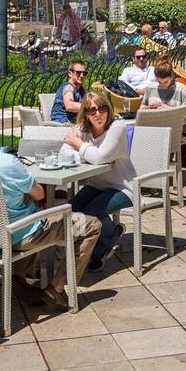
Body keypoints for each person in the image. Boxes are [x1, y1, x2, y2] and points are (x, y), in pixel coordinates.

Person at [0, 106, 101, 308]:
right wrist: (23, 193)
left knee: (31, 214)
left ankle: (17, 279)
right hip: (17, 234)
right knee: (90, 225)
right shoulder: (8, 163)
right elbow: (39, 193)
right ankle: (56, 287)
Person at [63, 93, 135, 270]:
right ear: (85, 113)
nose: (98, 114)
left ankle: (107, 240)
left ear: (108, 109)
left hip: (123, 187)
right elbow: (63, 154)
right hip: (96, 185)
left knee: (92, 211)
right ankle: (97, 241)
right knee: (71, 210)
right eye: (92, 110)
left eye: (102, 108)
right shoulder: (82, 129)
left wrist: (79, 146)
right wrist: (90, 156)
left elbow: (100, 156)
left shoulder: (116, 128)